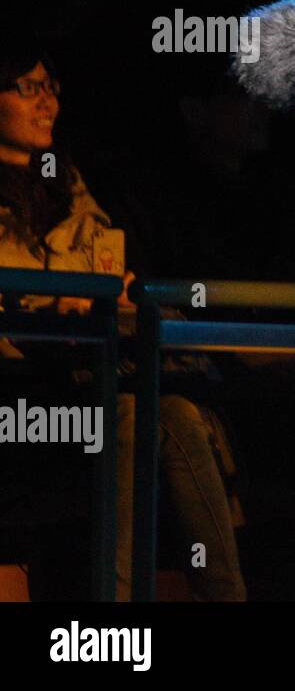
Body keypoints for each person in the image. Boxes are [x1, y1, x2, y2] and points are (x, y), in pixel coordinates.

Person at [0, 52, 246, 601]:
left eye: (52, 85)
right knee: (138, 412)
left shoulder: (65, 180)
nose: (48, 101)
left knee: (168, 410)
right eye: (27, 87)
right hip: (19, 397)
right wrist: (56, 305)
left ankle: (217, 596)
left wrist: (114, 285)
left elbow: (103, 260)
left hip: (90, 375)